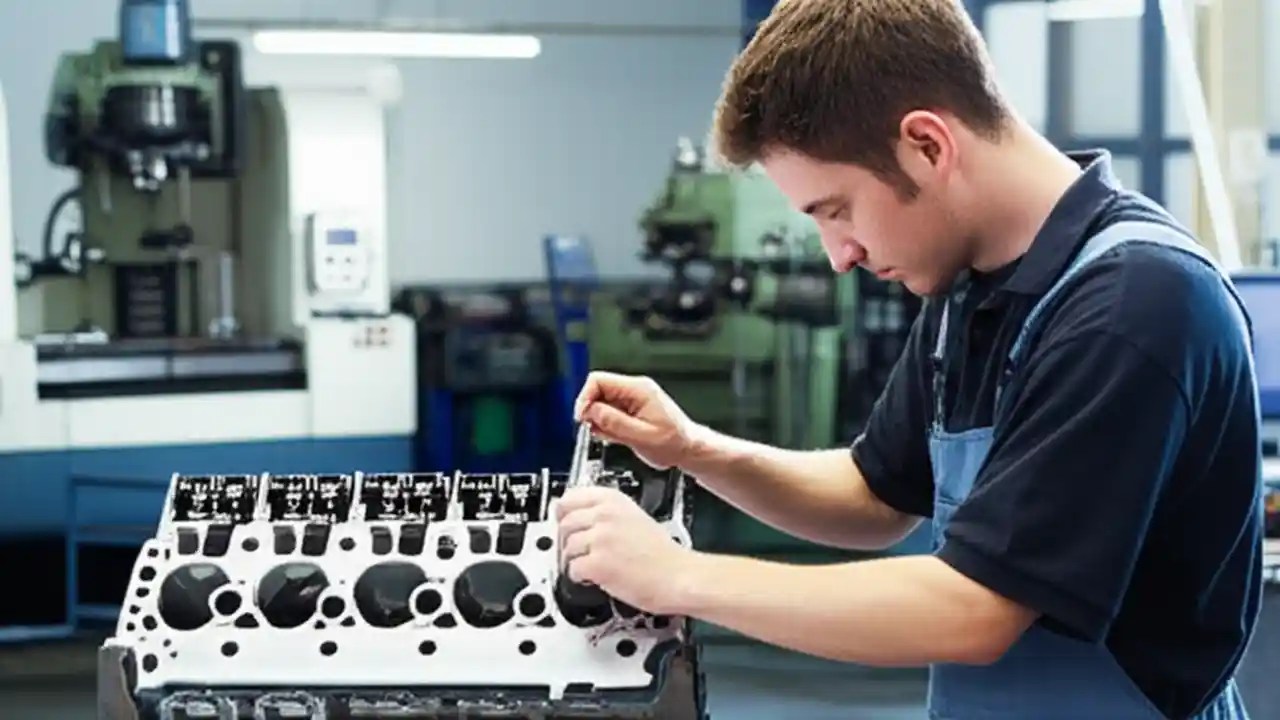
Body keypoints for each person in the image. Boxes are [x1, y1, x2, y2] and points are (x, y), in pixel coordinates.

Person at [553, 0, 1264, 718]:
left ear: (927, 144)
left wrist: (676, 577)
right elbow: (875, 494)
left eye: (837, 210)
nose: (839, 256)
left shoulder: (1134, 304)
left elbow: (973, 610)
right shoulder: (969, 286)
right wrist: (697, 451)